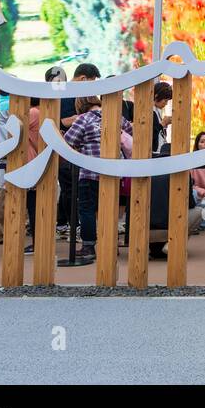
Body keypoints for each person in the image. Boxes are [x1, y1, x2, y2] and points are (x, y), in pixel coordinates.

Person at [63, 94, 132, 261]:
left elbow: (68, 141)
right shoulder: (115, 116)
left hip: (90, 172)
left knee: (87, 209)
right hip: (115, 171)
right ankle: (111, 245)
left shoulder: (83, 119)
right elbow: (130, 133)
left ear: (80, 104)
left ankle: (88, 246)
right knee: (110, 208)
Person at [56, 63, 98, 236]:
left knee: (71, 190)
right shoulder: (68, 94)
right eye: (91, 82)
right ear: (82, 78)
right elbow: (61, 121)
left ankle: (68, 225)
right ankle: (73, 227)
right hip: (67, 149)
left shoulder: (63, 92)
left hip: (72, 150)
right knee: (71, 190)